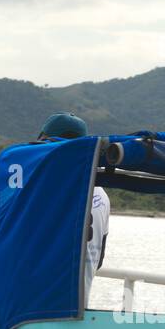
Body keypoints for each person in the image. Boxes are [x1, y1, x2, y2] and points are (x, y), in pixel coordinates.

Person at [38, 113, 109, 305]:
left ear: (44, 141)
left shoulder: (41, 183)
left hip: (33, 309)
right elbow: (99, 258)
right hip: (78, 307)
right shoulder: (101, 192)